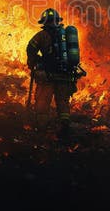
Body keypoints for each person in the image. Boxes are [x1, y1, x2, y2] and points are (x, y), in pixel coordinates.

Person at [26, 8, 77, 138]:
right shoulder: (66, 35)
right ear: (58, 21)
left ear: (44, 22)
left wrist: (33, 62)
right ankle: (65, 128)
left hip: (47, 77)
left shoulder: (41, 35)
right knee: (63, 103)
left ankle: (41, 132)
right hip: (65, 76)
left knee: (42, 104)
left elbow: (30, 48)